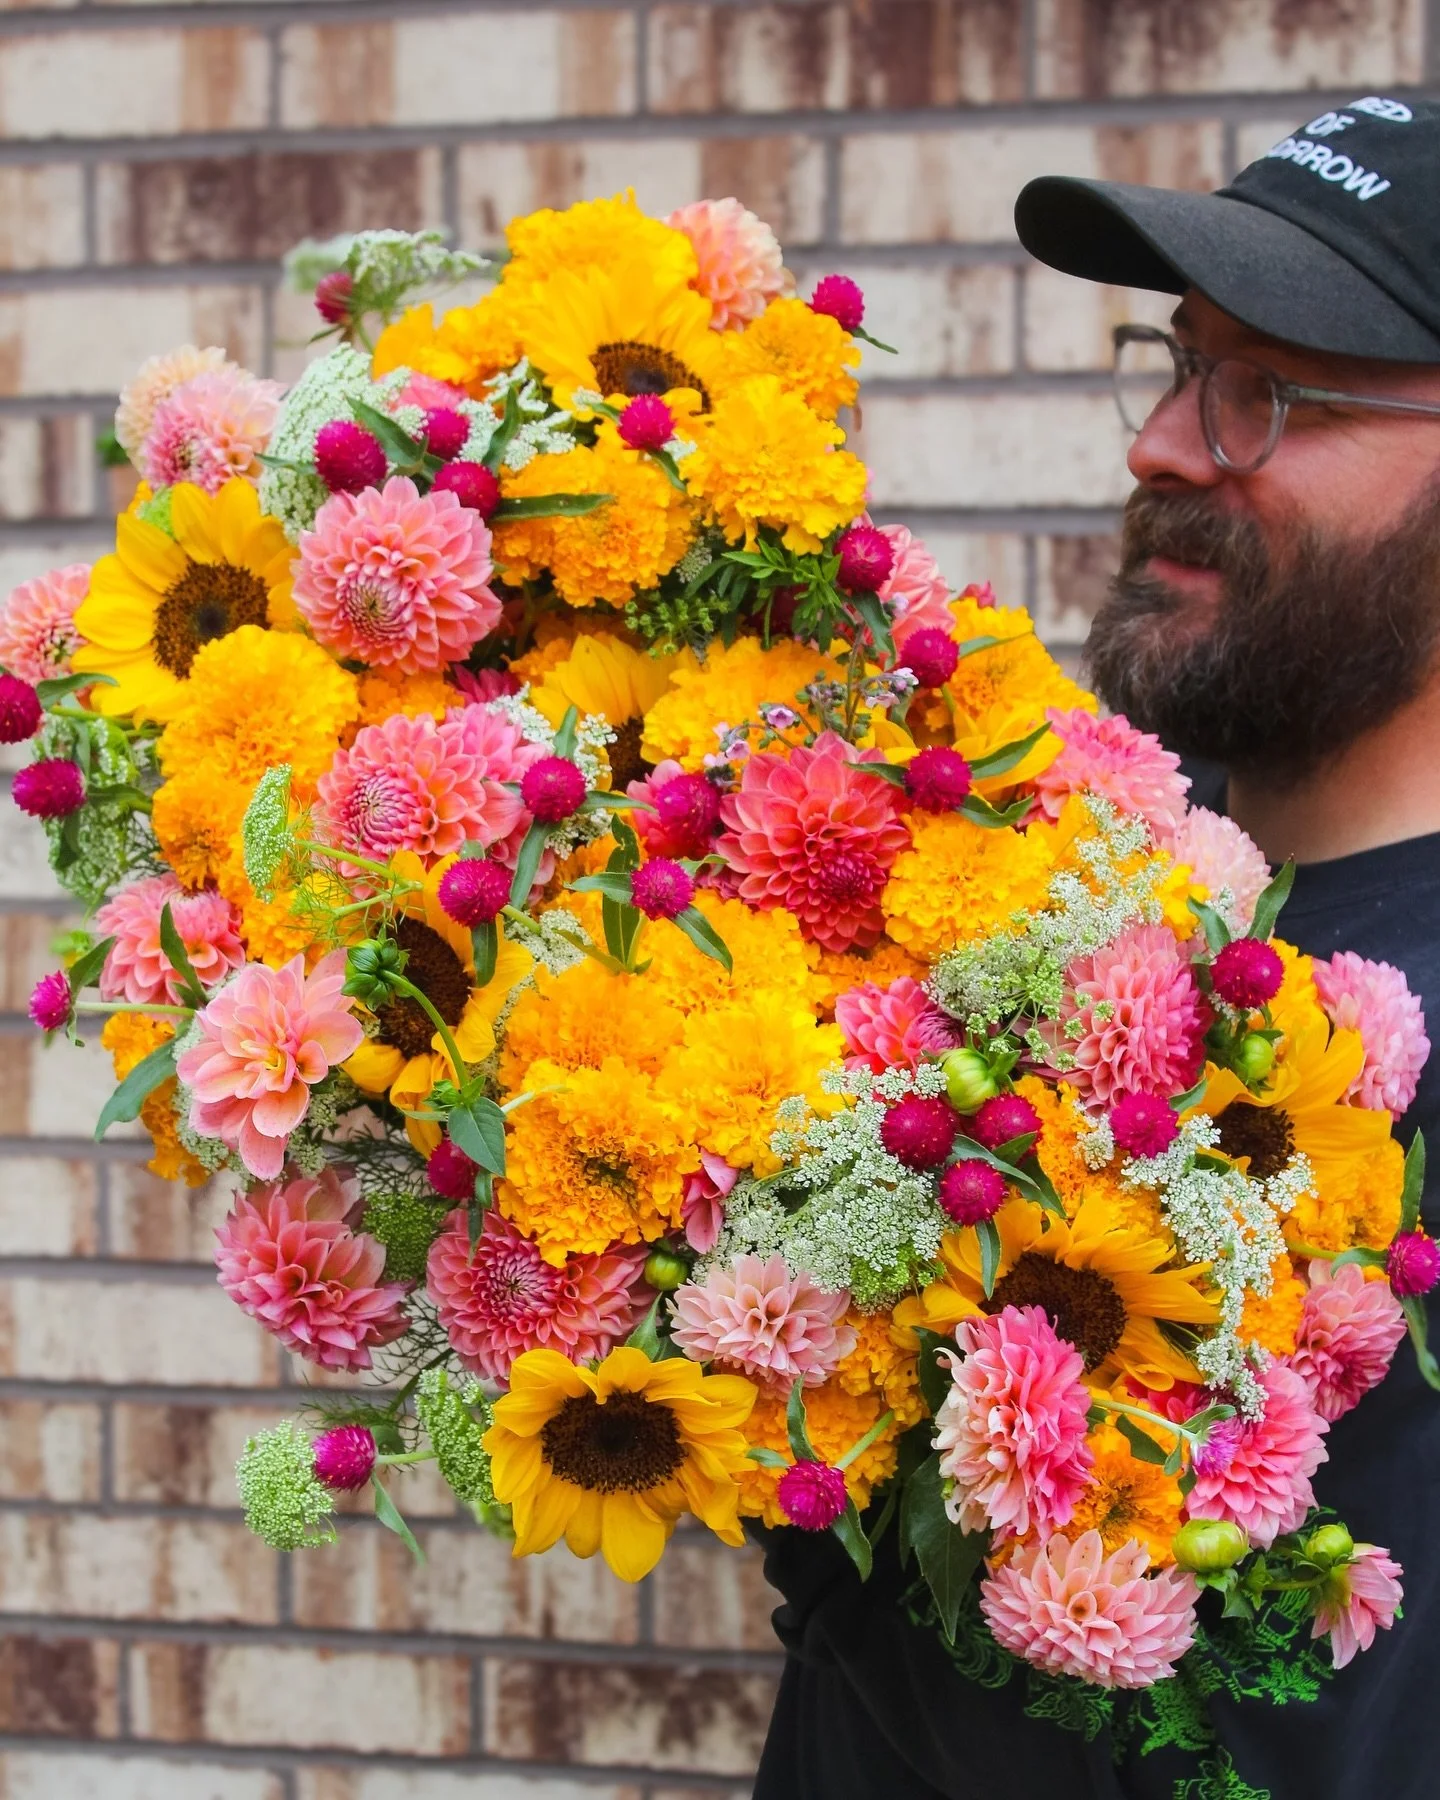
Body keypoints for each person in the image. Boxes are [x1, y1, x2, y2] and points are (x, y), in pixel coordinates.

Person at [752, 94, 1440, 1800]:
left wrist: (821, 1522)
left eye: (1270, 392)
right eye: (1176, 360)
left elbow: (1311, 1750)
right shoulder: (1069, 870)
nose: (1162, 444)